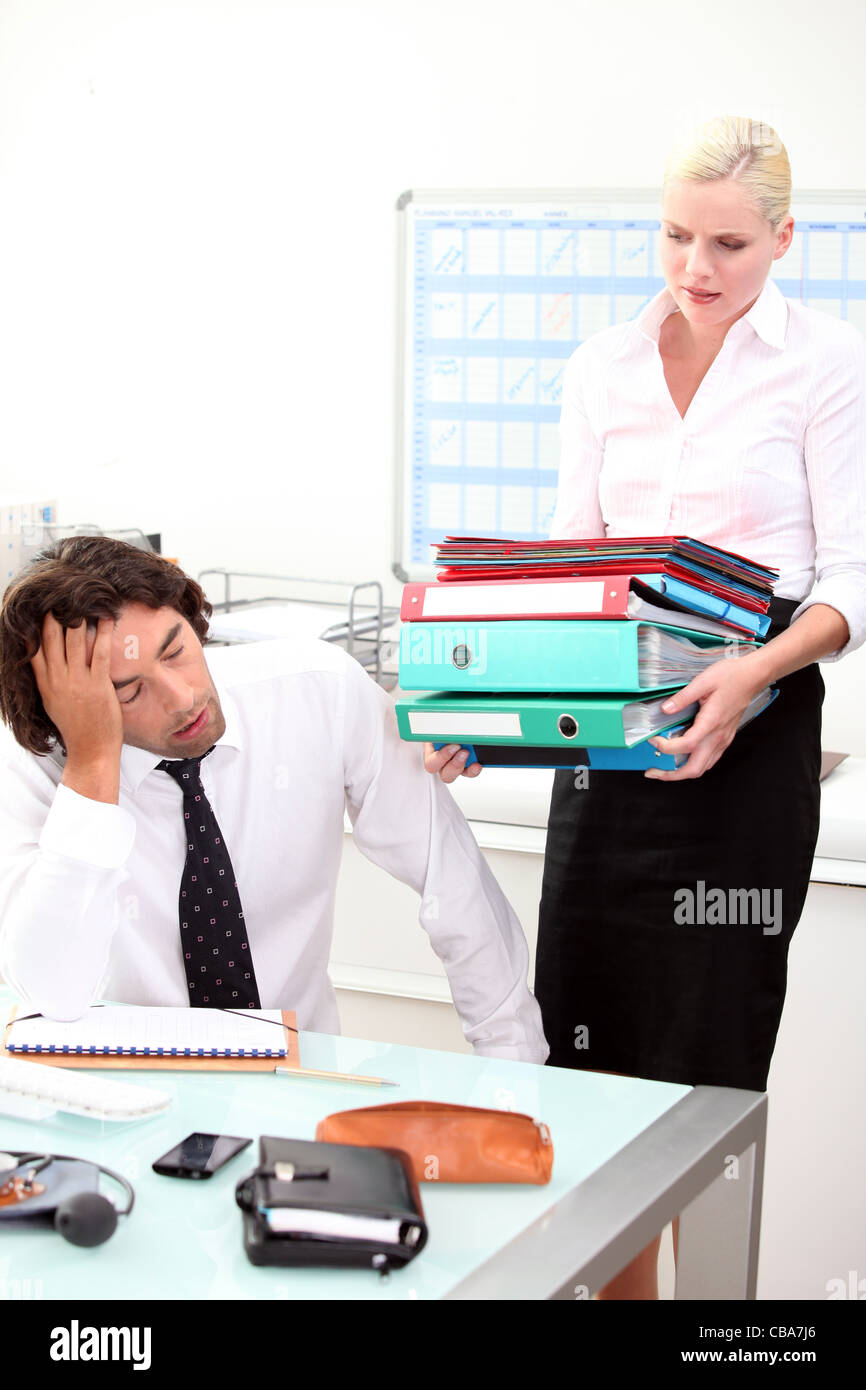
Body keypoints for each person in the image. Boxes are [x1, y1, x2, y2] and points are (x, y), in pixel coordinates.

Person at [426, 115, 866, 1296]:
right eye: (674, 235)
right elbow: (573, 569)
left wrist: (748, 676)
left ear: (783, 238)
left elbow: (849, 579)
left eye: (727, 243)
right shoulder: (599, 365)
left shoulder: (823, 363)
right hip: (610, 736)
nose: (695, 269)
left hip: (750, 732)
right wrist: (489, 703)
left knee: (701, 1073)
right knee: (581, 1074)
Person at [0, 535, 548, 1065]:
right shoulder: (36, 769)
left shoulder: (318, 691)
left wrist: (513, 1068)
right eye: (129, 691)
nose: (183, 697)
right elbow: (51, 993)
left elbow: (452, 880)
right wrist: (94, 765)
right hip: (122, 1094)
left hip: (298, 1080)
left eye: (176, 652)